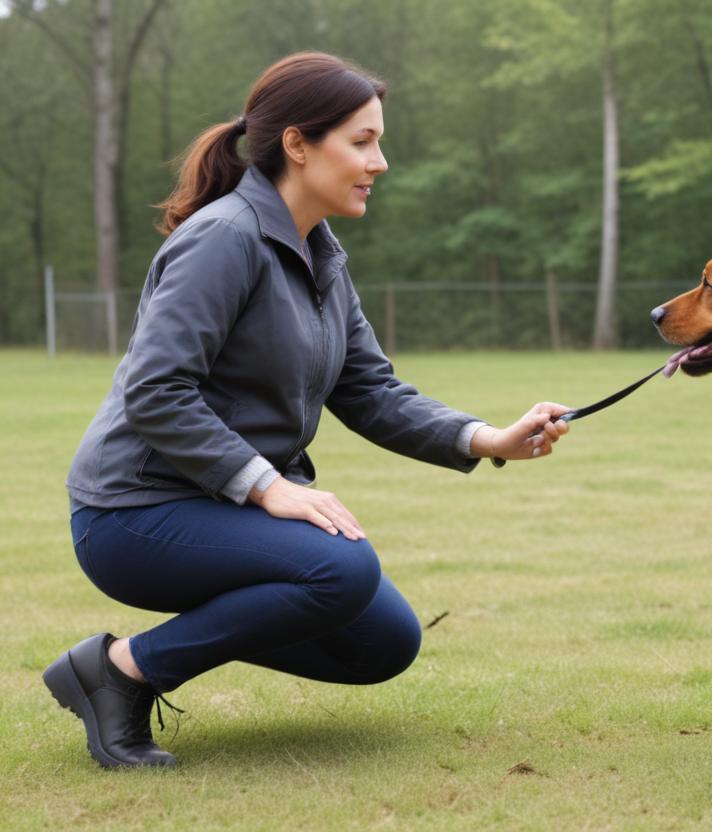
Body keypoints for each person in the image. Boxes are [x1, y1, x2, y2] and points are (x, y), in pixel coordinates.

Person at [46, 52, 570, 769]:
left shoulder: (321, 253)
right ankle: (120, 672)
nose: (378, 162)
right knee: (341, 571)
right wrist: (270, 487)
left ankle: (133, 664)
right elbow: (156, 389)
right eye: (361, 141)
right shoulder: (223, 239)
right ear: (297, 144)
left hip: (214, 504)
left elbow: (371, 391)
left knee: (384, 641)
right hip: (132, 511)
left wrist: (487, 439)